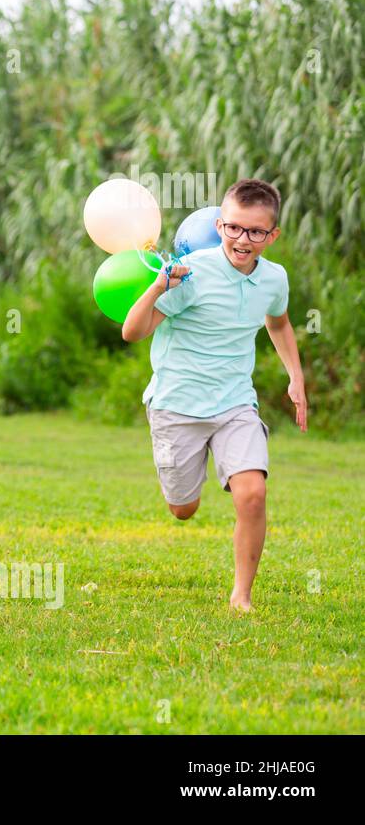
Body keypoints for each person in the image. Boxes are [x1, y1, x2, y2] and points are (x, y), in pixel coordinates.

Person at [122, 179, 307, 612]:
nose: (243, 239)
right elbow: (132, 332)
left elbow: (277, 323)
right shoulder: (192, 272)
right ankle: (189, 480)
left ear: (272, 235)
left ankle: (241, 595)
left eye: (256, 231)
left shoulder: (274, 279)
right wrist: (160, 286)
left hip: (234, 403)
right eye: (235, 228)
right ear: (220, 224)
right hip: (177, 404)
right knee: (183, 509)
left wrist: (295, 377)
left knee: (252, 493)